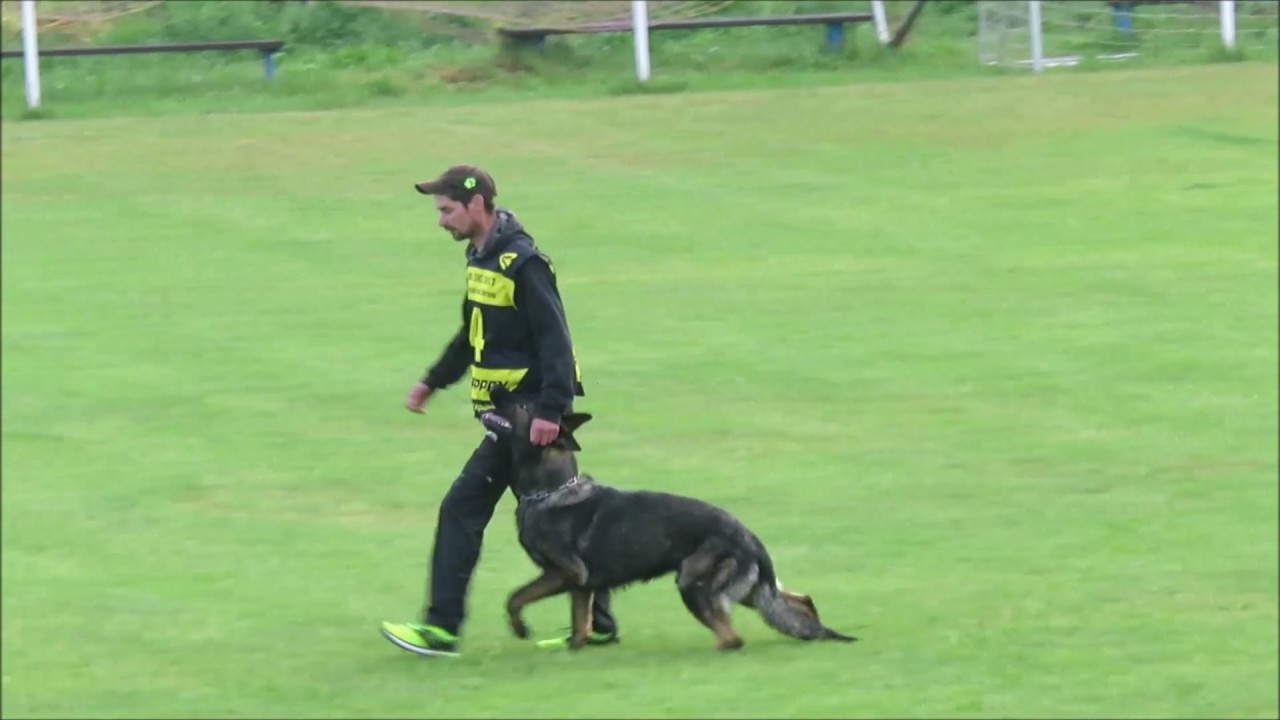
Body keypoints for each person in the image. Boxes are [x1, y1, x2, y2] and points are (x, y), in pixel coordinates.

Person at [380, 165, 620, 657]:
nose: (440, 221)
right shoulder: (481, 258)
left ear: (477, 204)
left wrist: (553, 410)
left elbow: (557, 339)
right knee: (563, 521)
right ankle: (598, 624)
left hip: (530, 417)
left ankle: (441, 629)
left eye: (447, 210)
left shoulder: (523, 262)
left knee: (465, 508)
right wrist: (433, 380)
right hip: (509, 417)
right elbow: (473, 335)